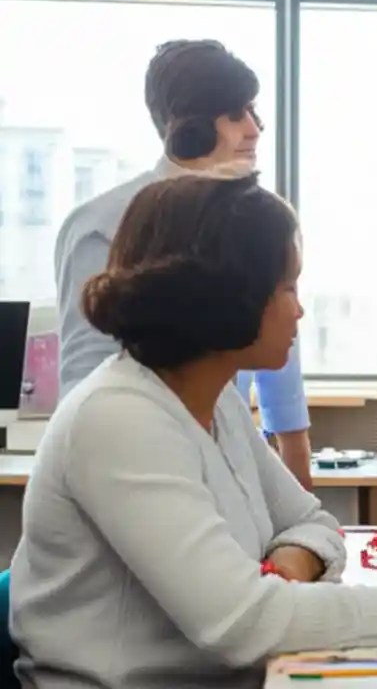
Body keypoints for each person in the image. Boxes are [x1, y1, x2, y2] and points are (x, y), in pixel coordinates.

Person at [10, 174, 377, 689]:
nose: (299, 312)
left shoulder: (216, 402)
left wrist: (286, 567)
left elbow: (314, 521)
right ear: (224, 298)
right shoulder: (118, 421)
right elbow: (245, 623)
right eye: (286, 288)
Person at [54, 39, 314, 488]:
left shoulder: (261, 216)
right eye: (235, 115)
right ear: (185, 126)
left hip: (229, 448)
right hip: (141, 461)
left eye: (253, 112)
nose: (254, 130)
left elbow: (278, 343)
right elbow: (85, 379)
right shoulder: (103, 224)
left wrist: (296, 465)